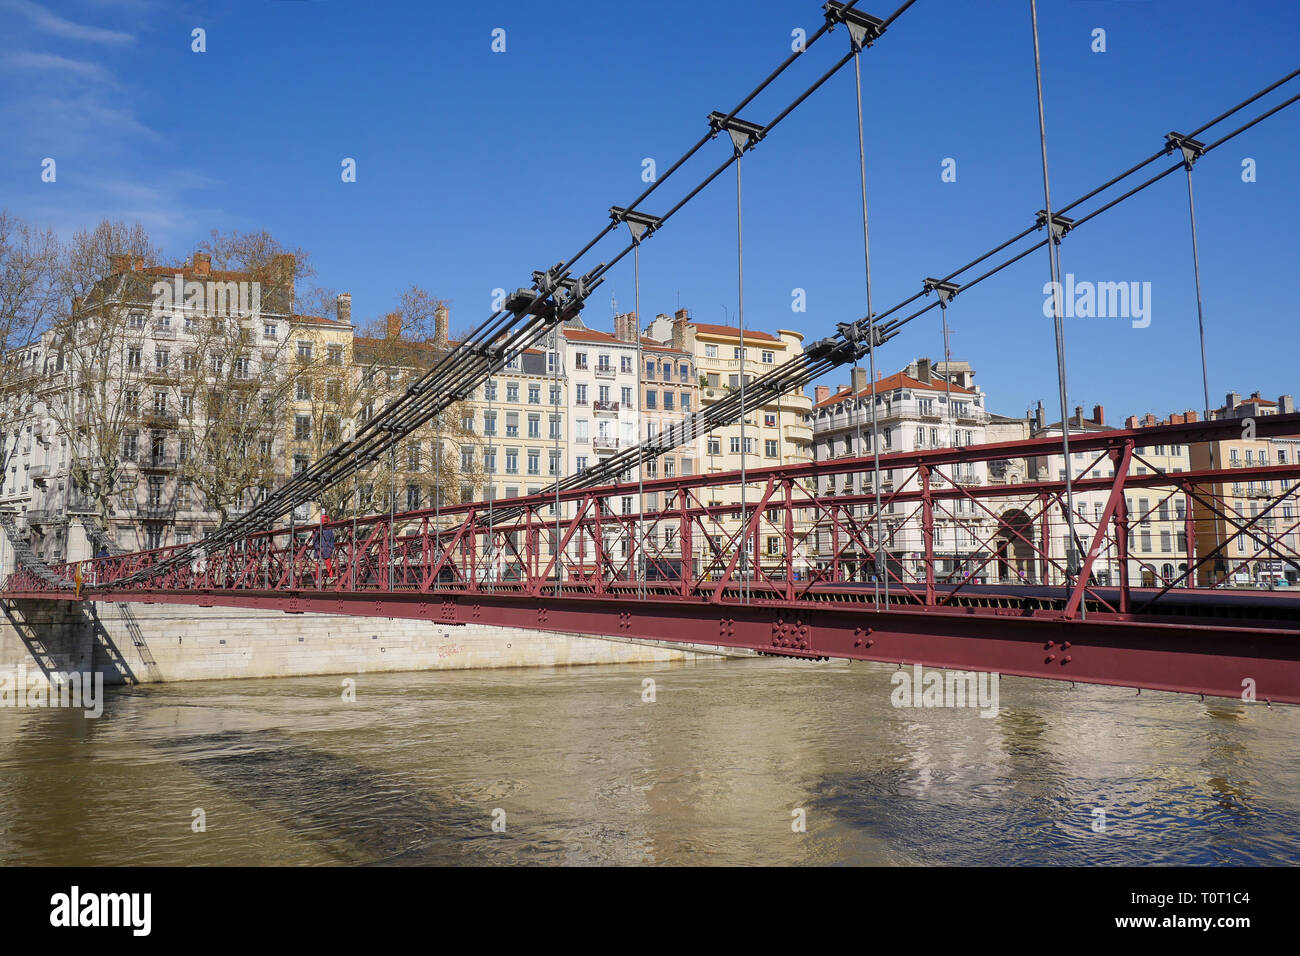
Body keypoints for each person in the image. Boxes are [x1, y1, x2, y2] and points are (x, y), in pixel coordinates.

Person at [318, 514, 335, 578]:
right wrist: (318, 547)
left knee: (328, 564)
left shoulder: (329, 530)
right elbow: (316, 540)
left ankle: (331, 576)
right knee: (318, 564)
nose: (325, 521)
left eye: (326, 520)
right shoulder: (319, 529)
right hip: (321, 549)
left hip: (327, 549)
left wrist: (331, 548)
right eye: (324, 520)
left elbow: (332, 539)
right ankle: (317, 578)